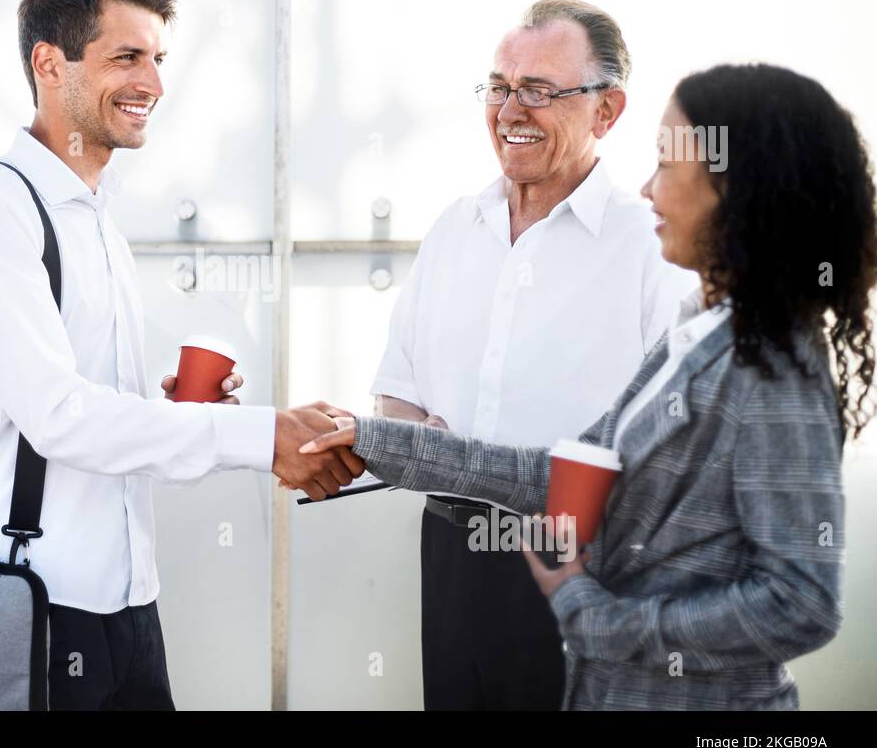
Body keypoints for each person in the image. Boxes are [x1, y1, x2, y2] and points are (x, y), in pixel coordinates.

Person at [302, 63, 876, 709]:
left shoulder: (776, 370)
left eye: (667, 164)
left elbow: (802, 602)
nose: (648, 187)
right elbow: (564, 474)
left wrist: (597, 618)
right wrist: (374, 440)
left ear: (737, 189)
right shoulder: (698, 333)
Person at [0, 0, 361, 710]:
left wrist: (187, 415)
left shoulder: (97, 215)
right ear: (49, 64)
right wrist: (261, 437)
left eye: (158, 59)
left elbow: (95, 412)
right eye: (127, 57)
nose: (152, 83)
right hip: (36, 599)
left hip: (127, 602)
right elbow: (60, 417)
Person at [366, 0, 694, 709]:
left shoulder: (651, 243)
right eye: (500, 87)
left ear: (607, 111)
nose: (511, 110)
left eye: (539, 90)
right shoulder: (454, 229)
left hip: (588, 563)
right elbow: (398, 389)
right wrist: (411, 436)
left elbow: (681, 434)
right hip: (451, 553)